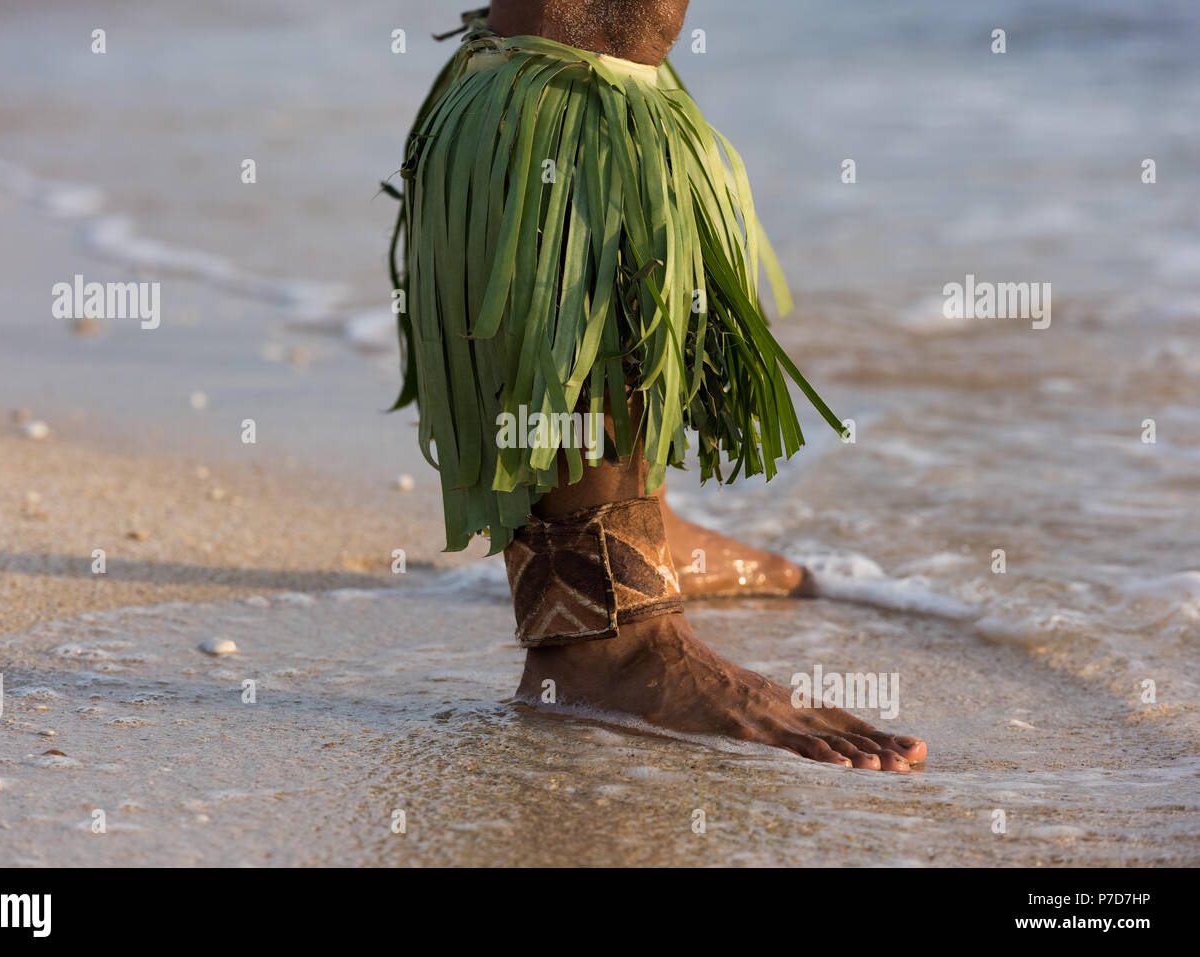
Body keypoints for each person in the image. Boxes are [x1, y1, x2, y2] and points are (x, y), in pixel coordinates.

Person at [388, 2, 926, 770]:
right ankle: (606, 635)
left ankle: (631, 519)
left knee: (628, 28)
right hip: (553, 105)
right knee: (591, 29)